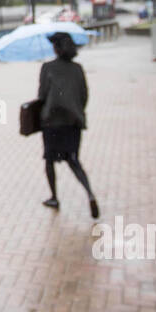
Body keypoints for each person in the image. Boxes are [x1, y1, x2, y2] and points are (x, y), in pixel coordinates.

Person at [37, 32, 99, 218]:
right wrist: (76, 111)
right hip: (73, 122)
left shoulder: (47, 67)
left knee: (49, 160)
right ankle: (89, 193)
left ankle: (54, 197)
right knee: (73, 160)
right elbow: (84, 95)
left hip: (52, 123)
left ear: (56, 48)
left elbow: (42, 95)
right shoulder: (77, 69)